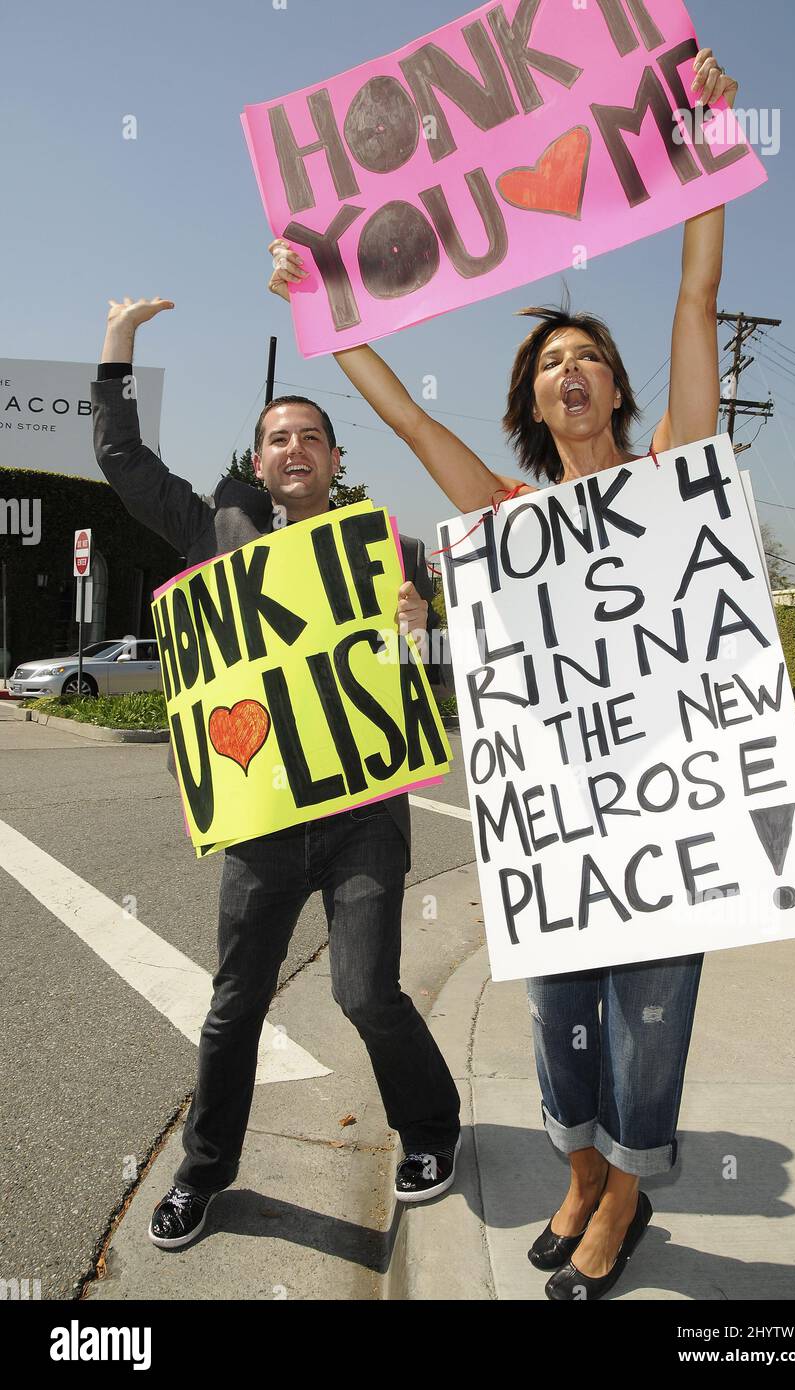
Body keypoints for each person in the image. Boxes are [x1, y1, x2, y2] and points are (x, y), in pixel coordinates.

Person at [268, 46, 736, 1301]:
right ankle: (578, 1171)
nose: (566, 370)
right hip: (556, 814)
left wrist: (695, 141)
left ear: (619, 386)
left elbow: (695, 297)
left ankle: (622, 1199)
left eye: (584, 355)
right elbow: (412, 426)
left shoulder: (672, 470)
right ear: (532, 401)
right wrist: (329, 311)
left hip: (668, 802)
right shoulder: (509, 511)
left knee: (646, 1015)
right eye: (545, 363)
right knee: (557, 1012)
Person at [91, 297, 462, 1249]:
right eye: (275, 438)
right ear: (257, 463)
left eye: (310, 436)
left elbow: (432, 691)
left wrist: (424, 641)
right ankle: (203, 1174)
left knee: (364, 992)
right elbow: (124, 465)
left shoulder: (395, 555)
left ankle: (429, 1127)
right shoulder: (218, 543)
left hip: (363, 817)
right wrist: (118, 345)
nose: (292, 448)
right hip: (261, 819)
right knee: (233, 1006)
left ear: (335, 461)